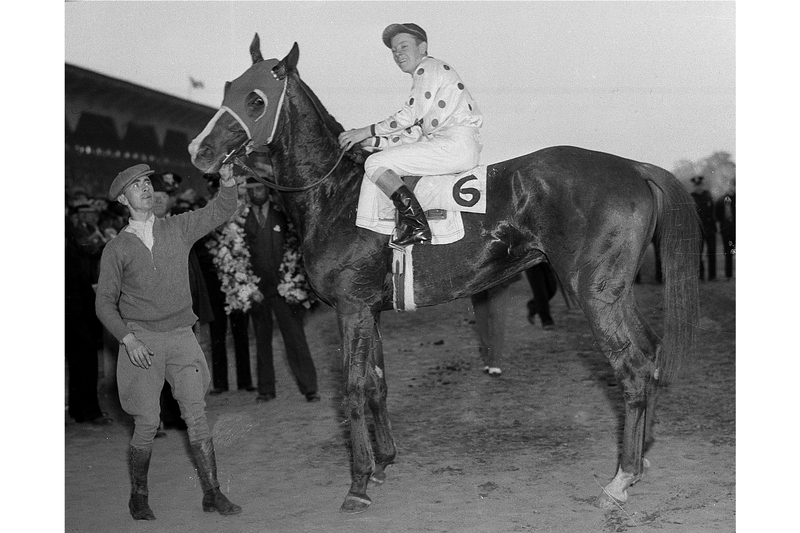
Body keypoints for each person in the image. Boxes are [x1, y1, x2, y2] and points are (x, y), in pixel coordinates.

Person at [95, 163, 242, 520]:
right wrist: (128, 339)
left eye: (147, 182)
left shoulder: (177, 227)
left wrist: (227, 181)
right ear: (123, 199)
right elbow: (103, 303)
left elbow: (221, 209)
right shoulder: (116, 248)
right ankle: (139, 496)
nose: (145, 188)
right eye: (136, 185)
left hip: (181, 336)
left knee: (197, 414)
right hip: (141, 341)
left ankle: (213, 493)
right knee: (146, 423)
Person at [338, 23, 483, 248]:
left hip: (454, 144)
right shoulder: (431, 75)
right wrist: (371, 141)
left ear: (422, 47)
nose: (398, 54)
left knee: (375, 163)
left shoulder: (428, 68)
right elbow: (411, 134)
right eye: (394, 50)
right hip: (451, 144)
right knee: (380, 157)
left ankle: (417, 225)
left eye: (403, 46)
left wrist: (363, 131)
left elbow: (408, 115)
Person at [242, 175, 320, 403]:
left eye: (260, 187)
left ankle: (310, 388)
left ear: (268, 190)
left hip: (283, 288)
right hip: (257, 289)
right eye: (251, 188)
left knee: (295, 337)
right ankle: (266, 390)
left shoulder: (282, 216)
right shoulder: (241, 220)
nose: (256, 192)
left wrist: (291, 281)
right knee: (262, 339)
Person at [197, 173, 255, 395]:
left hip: (238, 279)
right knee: (218, 334)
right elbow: (202, 246)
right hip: (215, 282)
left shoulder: (242, 210)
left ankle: (245, 381)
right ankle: (220, 383)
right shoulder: (208, 213)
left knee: (241, 332)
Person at [65, 208, 112, 426]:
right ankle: (86, 410)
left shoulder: (70, 229)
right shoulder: (70, 230)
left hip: (77, 298)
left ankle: (81, 409)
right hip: (72, 300)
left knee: (82, 355)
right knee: (84, 354)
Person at [690, 175, 717, 281]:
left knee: (712, 252)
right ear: (694, 186)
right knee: (698, 254)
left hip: (710, 228)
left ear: (703, 185)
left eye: (700, 185)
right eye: (696, 186)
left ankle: (712, 276)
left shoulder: (708, 195)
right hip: (698, 229)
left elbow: (713, 211)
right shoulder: (691, 197)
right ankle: (700, 275)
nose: (699, 188)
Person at [525, 263, 558, 329]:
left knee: (552, 288)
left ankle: (533, 306)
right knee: (540, 290)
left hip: (544, 260)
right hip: (531, 262)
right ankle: (546, 321)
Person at [715, 179, 736, 280]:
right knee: (728, 253)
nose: (732, 188)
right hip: (727, 231)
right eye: (731, 186)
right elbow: (717, 216)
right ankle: (728, 275)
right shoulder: (721, 200)